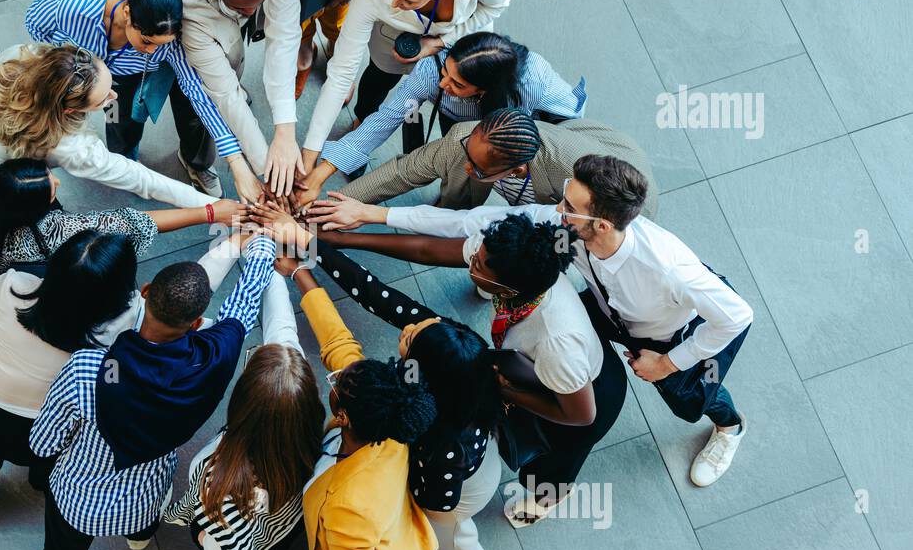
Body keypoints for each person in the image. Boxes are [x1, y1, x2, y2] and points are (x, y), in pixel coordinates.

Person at [324, 154, 754, 487]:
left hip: (669, 333)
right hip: (606, 310)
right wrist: (371, 215)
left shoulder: (668, 270)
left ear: (601, 224)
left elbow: (737, 316)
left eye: (569, 205)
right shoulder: (567, 231)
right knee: (571, 346)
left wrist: (670, 362)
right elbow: (469, 225)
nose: (557, 209)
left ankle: (729, 425)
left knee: (691, 400)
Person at [294, 209, 626, 527]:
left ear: (507, 290)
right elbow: (409, 269)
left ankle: (546, 502)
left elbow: (582, 416)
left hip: (588, 398)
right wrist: (324, 242)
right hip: (534, 374)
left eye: (478, 264)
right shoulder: (512, 263)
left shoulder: (556, 343)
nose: (471, 261)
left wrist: (509, 391)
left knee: (547, 473)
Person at [25, 231, 278, 550]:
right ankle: (140, 537)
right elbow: (242, 308)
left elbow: (43, 441)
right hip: (148, 492)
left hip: (79, 500)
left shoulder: (89, 369)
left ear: (144, 292)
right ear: (196, 323)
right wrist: (261, 243)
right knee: (144, 518)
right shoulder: (216, 355)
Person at [0, 228, 252, 537]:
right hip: (62, 432)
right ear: (129, 289)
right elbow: (182, 295)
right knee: (48, 460)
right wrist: (237, 242)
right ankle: (40, 480)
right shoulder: (134, 325)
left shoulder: (12, 289)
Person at [254, 202, 503, 550]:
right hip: (472, 462)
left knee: (449, 536)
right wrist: (306, 254)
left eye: (412, 338)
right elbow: (375, 295)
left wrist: (408, 506)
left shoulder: (436, 441)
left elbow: (437, 504)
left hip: (455, 492)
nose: (407, 328)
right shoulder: (461, 357)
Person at [0, 155, 240, 352]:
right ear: (29, 215)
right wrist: (209, 213)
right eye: (50, 186)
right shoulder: (39, 236)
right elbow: (126, 223)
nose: (58, 182)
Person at [278, 246, 438, 550]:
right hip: (386, 532)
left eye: (336, 384)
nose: (336, 375)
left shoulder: (352, 504)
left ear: (342, 415)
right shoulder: (381, 415)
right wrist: (299, 275)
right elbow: (338, 342)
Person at [164, 271, 324, 550]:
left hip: (238, 539)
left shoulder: (213, 472)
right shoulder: (310, 422)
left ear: (242, 405)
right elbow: (283, 329)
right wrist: (275, 266)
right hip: (286, 524)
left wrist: (204, 537)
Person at [297, 0, 514, 177]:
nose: (392, 4)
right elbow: (341, 72)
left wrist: (441, 42)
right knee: (378, 78)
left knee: (455, 95)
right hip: (392, 40)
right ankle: (360, 128)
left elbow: (496, 5)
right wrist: (310, 151)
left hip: (461, 43)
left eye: (408, 2)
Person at [24, 0, 250, 198]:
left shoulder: (169, 46)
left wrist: (235, 159)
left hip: (153, 71)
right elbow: (34, 19)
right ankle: (126, 164)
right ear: (126, 11)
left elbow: (196, 90)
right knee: (116, 119)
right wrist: (64, 61)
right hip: (112, 82)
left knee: (193, 113)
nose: (152, 51)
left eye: (159, 44)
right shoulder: (77, 4)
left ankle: (197, 163)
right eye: (146, 41)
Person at [298, 33, 586, 202]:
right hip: (458, 118)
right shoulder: (430, 70)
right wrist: (322, 172)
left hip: (508, 133)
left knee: (469, 181)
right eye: (445, 73)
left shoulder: (533, 82)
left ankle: (454, 206)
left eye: (457, 85)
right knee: (453, 156)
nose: (443, 85)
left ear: (485, 89)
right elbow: (385, 119)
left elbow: (569, 114)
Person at [254, 0, 402, 195]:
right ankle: (306, 53)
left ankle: (329, 40)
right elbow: (280, 33)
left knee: (340, 20)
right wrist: (284, 130)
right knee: (298, 25)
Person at [0, 42, 213, 208]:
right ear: (69, 110)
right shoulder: (71, 147)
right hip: (16, 177)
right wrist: (209, 205)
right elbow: (140, 179)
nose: (114, 97)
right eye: (102, 99)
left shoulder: (21, 55)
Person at [309, 108, 658, 224]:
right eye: (467, 151)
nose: (462, 164)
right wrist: (329, 206)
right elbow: (403, 171)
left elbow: (473, 228)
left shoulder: (575, 196)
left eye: (476, 168)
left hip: (618, 182)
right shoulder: (466, 140)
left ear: (517, 172)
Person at [165, 0, 275, 203]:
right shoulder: (189, 14)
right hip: (190, 63)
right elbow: (225, 94)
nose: (251, 13)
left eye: (257, 3)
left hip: (222, 38)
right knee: (197, 115)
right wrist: (266, 169)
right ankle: (195, 162)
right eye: (241, 7)